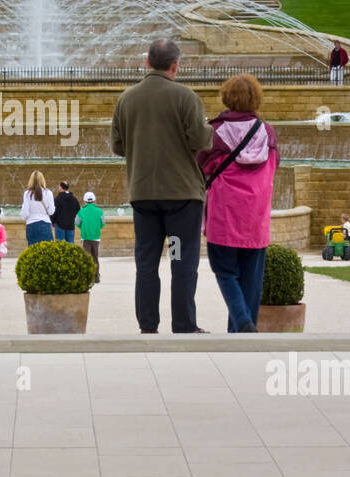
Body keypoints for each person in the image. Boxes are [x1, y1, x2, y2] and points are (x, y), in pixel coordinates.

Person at [111, 38, 215, 334]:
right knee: (180, 260)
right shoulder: (185, 97)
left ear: (147, 63)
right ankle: (183, 324)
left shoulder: (126, 99)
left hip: (143, 195)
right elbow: (200, 140)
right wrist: (207, 128)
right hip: (181, 197)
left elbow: (118, 145)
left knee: (146, 262)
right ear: (175, 66)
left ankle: (148, 325)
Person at [196, 73, 280, 334]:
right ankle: (244, 333)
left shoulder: (217, 131)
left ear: (226, 97)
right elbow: (274, 165)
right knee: (251, 282)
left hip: (224, 214)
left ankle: (243, 322)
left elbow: (200, 163)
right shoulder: (267, 132)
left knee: (225, 271)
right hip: (256, 217)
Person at [21, 170, 55, 245]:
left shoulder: (27, 194)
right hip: (45, 224)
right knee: (47, 250)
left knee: (32, 251)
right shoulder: (48, 193)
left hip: (32, 224)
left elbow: (25, 213)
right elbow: (51, 211)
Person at [78, 191, 105, 284]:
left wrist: (83, 228)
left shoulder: (81, 211)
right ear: (94, 200)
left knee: (87, 258)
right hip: (96, 238)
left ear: (85, 200)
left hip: (85, 238)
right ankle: (96, 277)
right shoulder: (99, 211)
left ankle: (87, 277)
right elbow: (103, 223)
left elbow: (77, 223)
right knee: (95, 258)